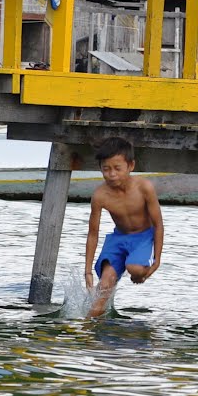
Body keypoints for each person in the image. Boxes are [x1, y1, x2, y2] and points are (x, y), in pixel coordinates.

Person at [84, 136, 164, 317]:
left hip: (143, 236)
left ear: (131, 166)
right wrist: (88, 270)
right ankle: (89, 329)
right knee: (104, 284)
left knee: (134, 269)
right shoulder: (100, 195)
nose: (111, 174)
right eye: (106, 169)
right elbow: (92, 234)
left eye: (117, 169)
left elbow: (158, 225)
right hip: (118, 238)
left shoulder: (144, 188)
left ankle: (138, 272)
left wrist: (157, 260)